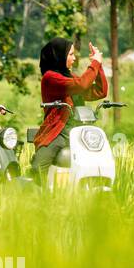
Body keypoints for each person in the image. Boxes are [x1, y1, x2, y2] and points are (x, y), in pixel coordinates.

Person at [32, 38, 108, 174]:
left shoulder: (70, 77)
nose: (74, 58)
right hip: (59, 132)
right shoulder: (50, 78)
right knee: (38, 167)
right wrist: (95, 63)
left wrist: (98, 66)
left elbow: (100, 92)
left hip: (79, 131)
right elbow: (81, 84)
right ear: (59, 56)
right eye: (71, 54)